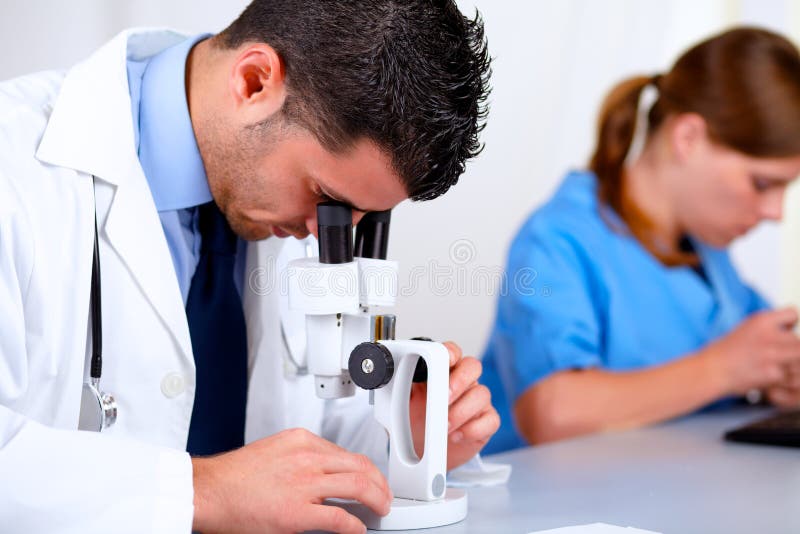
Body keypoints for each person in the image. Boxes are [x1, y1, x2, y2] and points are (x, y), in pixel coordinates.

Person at [0, 1, 499, 532]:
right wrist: (199, 491)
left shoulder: (277, 199)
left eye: (360, 216)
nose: (322, 234)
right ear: (254, 82)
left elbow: (305, 434)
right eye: (326, 198)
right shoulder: (16, 168)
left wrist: (405, 435)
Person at [480, 27, 800, 454]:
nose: (776, 213)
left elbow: (755, 351)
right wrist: (723, 369)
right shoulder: (557, 240)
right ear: (687, 138)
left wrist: (780, 375)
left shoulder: (709, 255)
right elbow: (551, 413)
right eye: (762, 183)